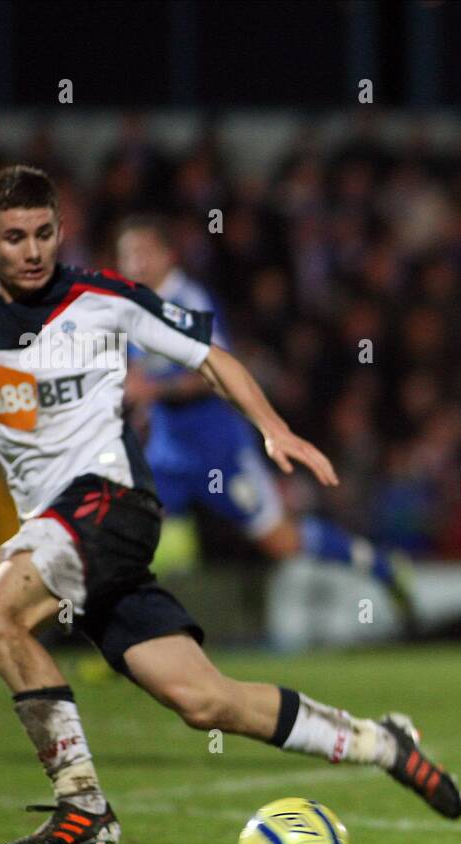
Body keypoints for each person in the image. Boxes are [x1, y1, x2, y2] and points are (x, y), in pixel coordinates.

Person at [0, 165, 461, 844]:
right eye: (13, 237)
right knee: (207, 703)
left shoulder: (106, 298)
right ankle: (380, 742)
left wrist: (275, 429)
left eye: (43, 234)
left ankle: (82, 803)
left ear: (60, 231)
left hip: (111, 501)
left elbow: (213, 360)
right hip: (63, 533)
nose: (31, 251)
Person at [114, 216, 412, 610]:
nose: (135, 263)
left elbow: (215, 372)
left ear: (169, 255)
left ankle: (376, 563)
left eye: (144, 252)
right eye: (128, 255)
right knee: (127, 537)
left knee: (281, 542)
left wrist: (154, 389)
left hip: (218, 448)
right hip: (167, 453)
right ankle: (126, 639)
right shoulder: (129, 305)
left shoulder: (188, 300)